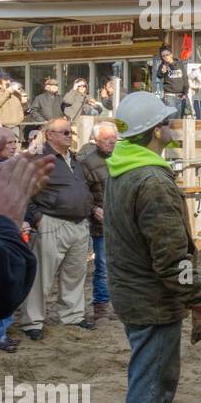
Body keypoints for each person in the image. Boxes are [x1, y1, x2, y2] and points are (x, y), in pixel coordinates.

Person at [104, 92, 201, 403]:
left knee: (158, 370)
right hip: (151, 296)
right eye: (166, 122)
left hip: (132, 288)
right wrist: (198, 302)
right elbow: (171, 257)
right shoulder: (151, 180)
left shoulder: (123, 169)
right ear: (153, 132)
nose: (172, 126)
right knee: (150, 375)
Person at [19, 118, 96, 341]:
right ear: (49, 134)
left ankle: (72, 315)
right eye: (63, 132)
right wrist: (36, 216)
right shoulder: (38, 157)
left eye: (69, 131)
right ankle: (32, 321)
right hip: (51, 221)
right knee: (42, 275)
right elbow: (24, 189)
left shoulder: (75, 159)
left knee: (75, 274)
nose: (68, 135)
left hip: (79, 223)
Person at [0, 128, 49, 352]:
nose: (14, 145)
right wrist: (5, 224)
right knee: (2, 272)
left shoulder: (13, 168)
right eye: (9, 142)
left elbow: (24, 200)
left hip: (12, 231)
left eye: (15, 141)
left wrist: (28, 219)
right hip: (2, 238)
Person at [78, 121, 118, 323]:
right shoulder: (87, 163)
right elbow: (82, 193)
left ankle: (121, 304)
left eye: (114, 138)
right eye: (107, 139)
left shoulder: (124, 158)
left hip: (125, 222)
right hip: (101, 223)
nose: (112, 142)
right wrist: (94, 209)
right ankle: (101, 307)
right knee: (103, 265)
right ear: (95, 140)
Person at [156, 46, 190, 117]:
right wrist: (162, 71)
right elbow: (159, 75)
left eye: (167, 54)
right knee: (171, 119)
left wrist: (185, 93)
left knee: (179, 120)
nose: (165, 57)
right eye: (163, 56)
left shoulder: (180, 64)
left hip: (181, 96)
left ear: (171, 54)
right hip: (169, 96)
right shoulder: (163, 66)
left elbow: (185, 79)